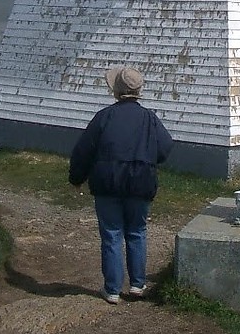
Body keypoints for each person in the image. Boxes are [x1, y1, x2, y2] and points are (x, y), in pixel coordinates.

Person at [69, 66, 173, 304]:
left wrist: (76, 178)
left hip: (107, 183)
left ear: (116, 90)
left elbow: (84, 150)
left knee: (112, 234)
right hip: (140, 182)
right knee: (137, 232)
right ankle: (137, 285)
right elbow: (166, 147)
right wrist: (147, 159)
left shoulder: (104, 116)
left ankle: (113, 289)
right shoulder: (149, 118)